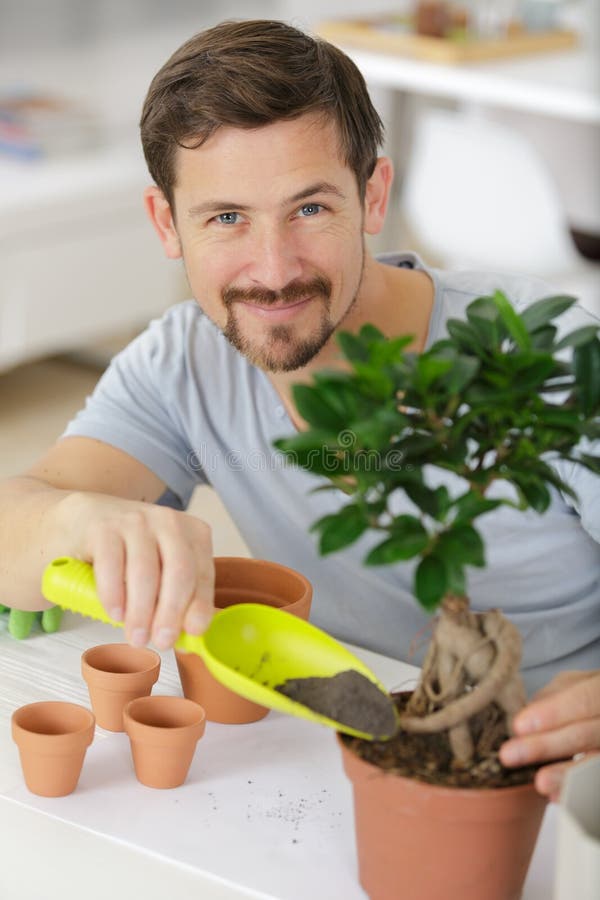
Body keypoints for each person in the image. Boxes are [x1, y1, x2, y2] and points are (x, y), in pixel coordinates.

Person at [1, 19, 598, 800]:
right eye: (226, 218)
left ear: (373, 195)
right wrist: (80, 521)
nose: (273, 270)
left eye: (310, 209)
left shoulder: (542, 353)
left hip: (549, 781)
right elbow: (14, 531)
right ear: (165, 224)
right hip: (338, 765)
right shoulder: (184, 363)